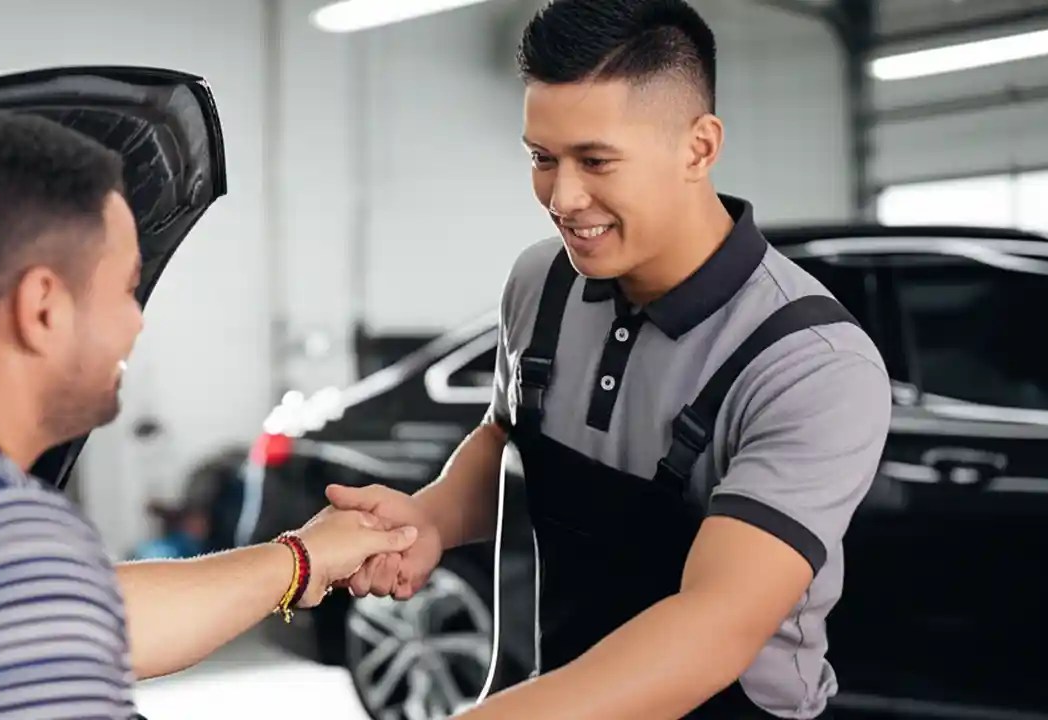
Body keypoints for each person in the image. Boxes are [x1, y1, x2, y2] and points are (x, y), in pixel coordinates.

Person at [325, 0, 892, 718]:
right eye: (541, 158)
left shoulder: (810, 365)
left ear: (699, 147)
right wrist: (431, 519)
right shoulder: (543, 282)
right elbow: (504, 437)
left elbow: (713, 629)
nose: (562, 198)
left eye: (595, 160)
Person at [0, 111, 417, 719]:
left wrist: (301, 558)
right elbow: (27, 595)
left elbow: (77, 615)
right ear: (41, 307)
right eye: (125, 288)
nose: (136, 321)